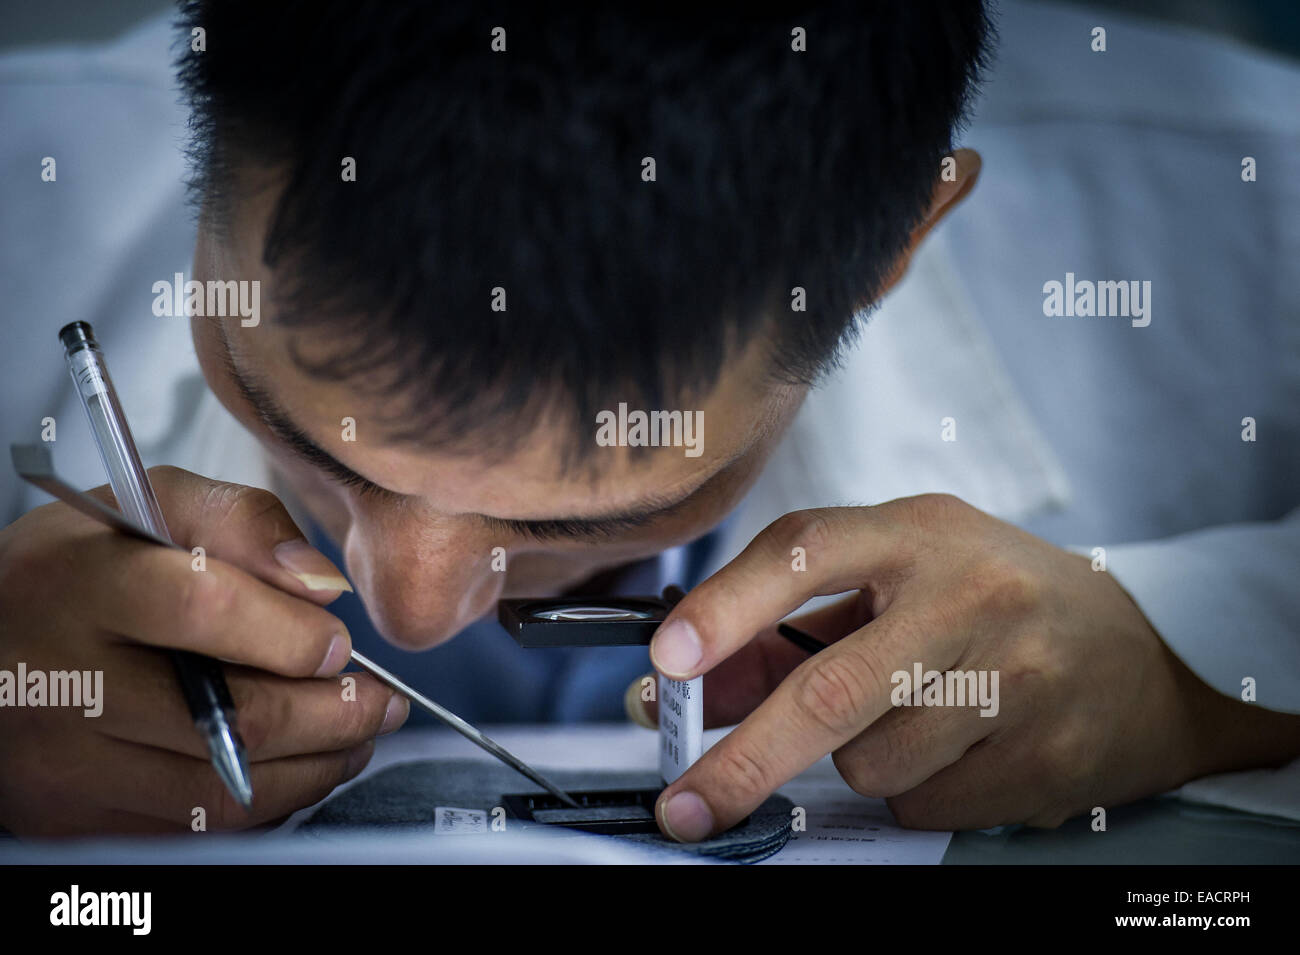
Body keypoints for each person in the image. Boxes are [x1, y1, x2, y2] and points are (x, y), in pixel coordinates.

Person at [1, 0, 1297, 842]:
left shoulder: (1257, 227)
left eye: (594, 511)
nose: (412, 605)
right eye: (286, 411)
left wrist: (1192, 668)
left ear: (892, 253)